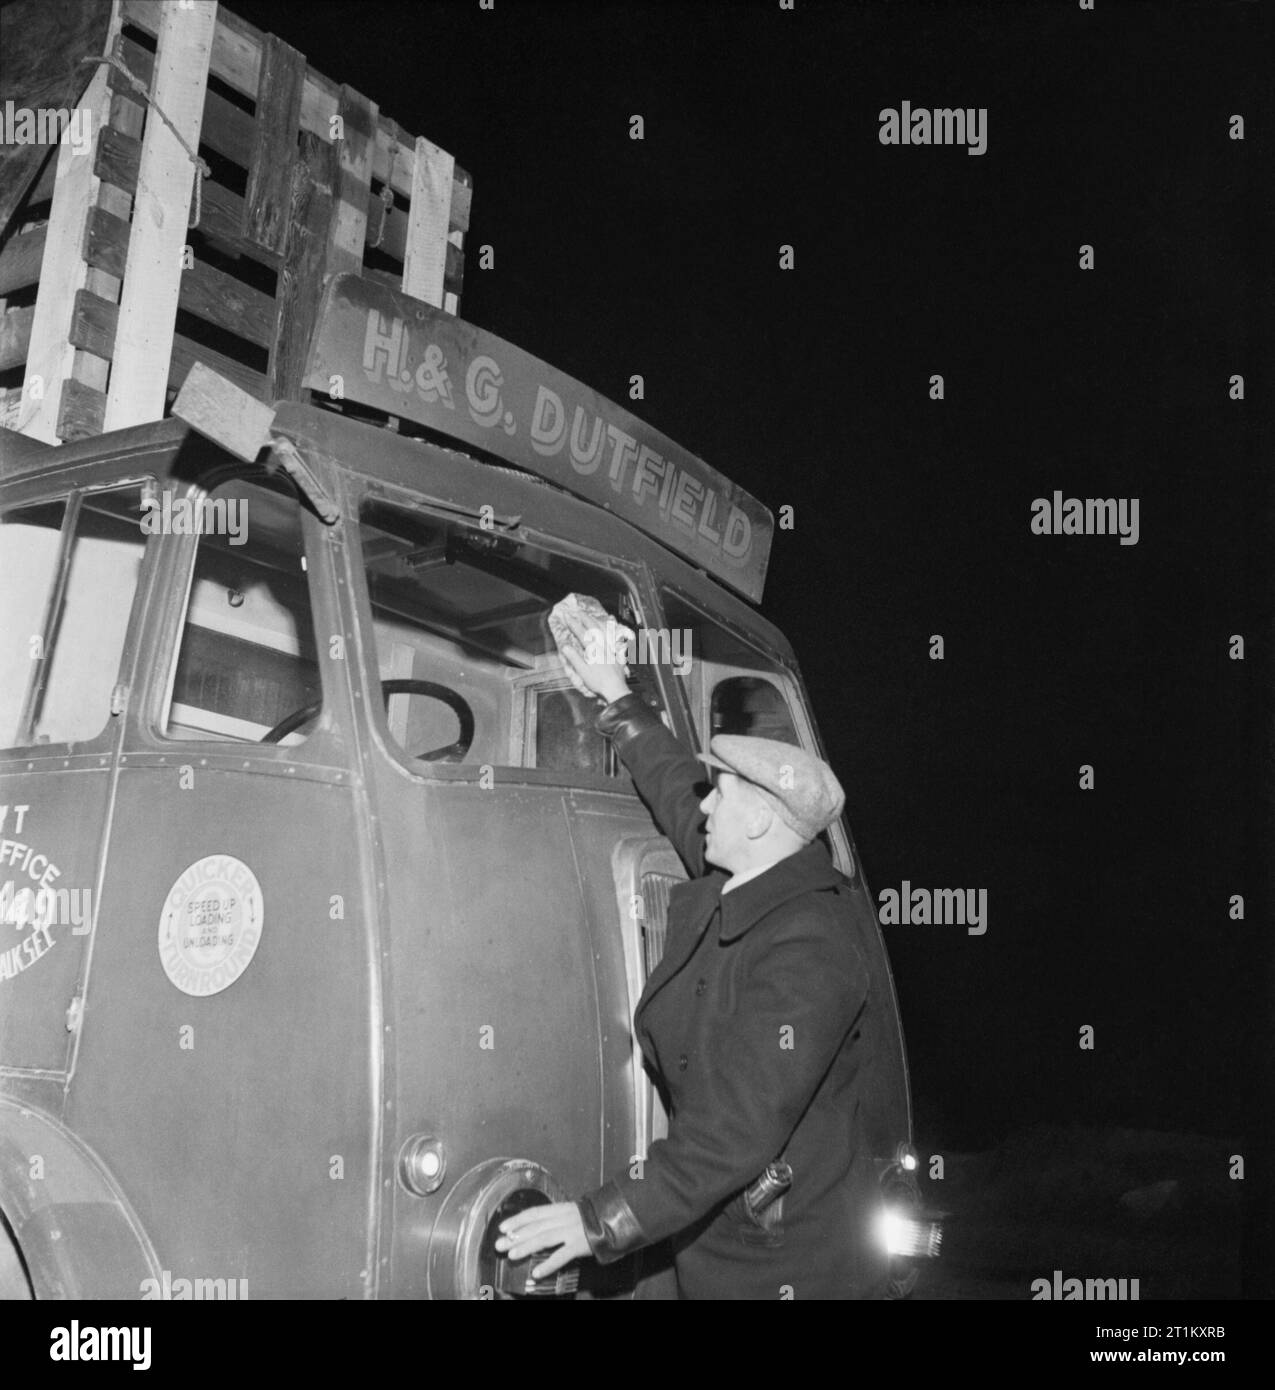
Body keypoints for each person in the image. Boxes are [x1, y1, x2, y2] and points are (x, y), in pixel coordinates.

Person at [495, 604, 886, 1299]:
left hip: (779, 1269)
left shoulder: (813, 950)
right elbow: (678, 785)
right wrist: (614, 695)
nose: (706, 807)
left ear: (762, 819)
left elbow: (731, 1133)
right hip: (713, 1243)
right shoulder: (743, 876)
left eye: (725, 796)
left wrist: (596, 1222)